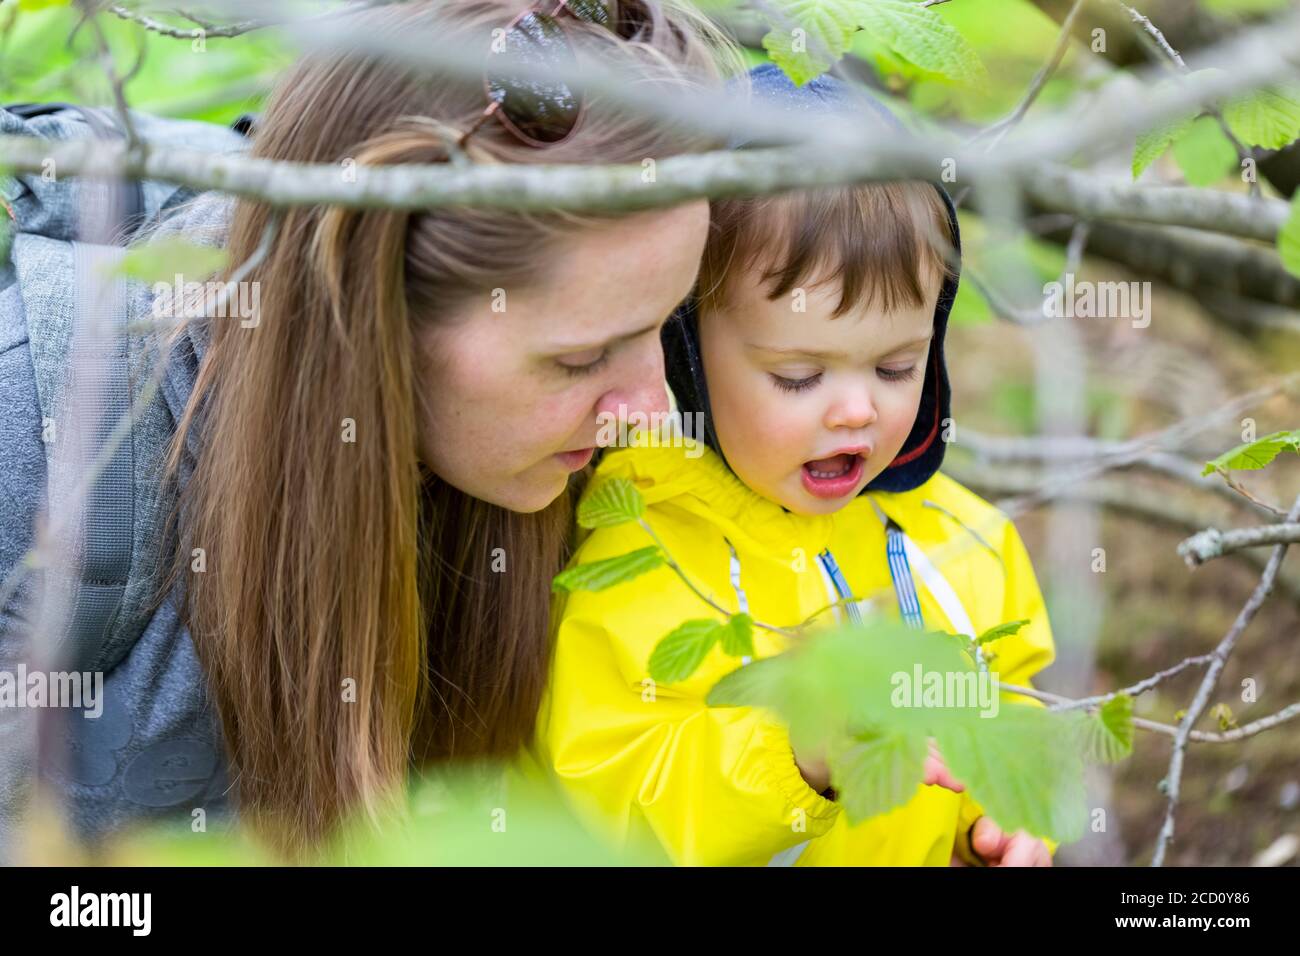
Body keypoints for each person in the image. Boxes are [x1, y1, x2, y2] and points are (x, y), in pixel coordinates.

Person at [0, 0, 737, 856]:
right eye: (579, 361)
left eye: (668, 324)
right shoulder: (45, 446)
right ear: (371, 313)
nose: (655, 410)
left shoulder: (584, 460)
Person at [539, 65, 1058, 866]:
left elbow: (1013, 706)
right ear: (688, 354)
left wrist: (1008, 816)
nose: (858, 411)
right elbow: (615, 797)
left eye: (895, 368)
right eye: (799, 377)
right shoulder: (641, 560)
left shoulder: (964, 545)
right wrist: (803, 753)